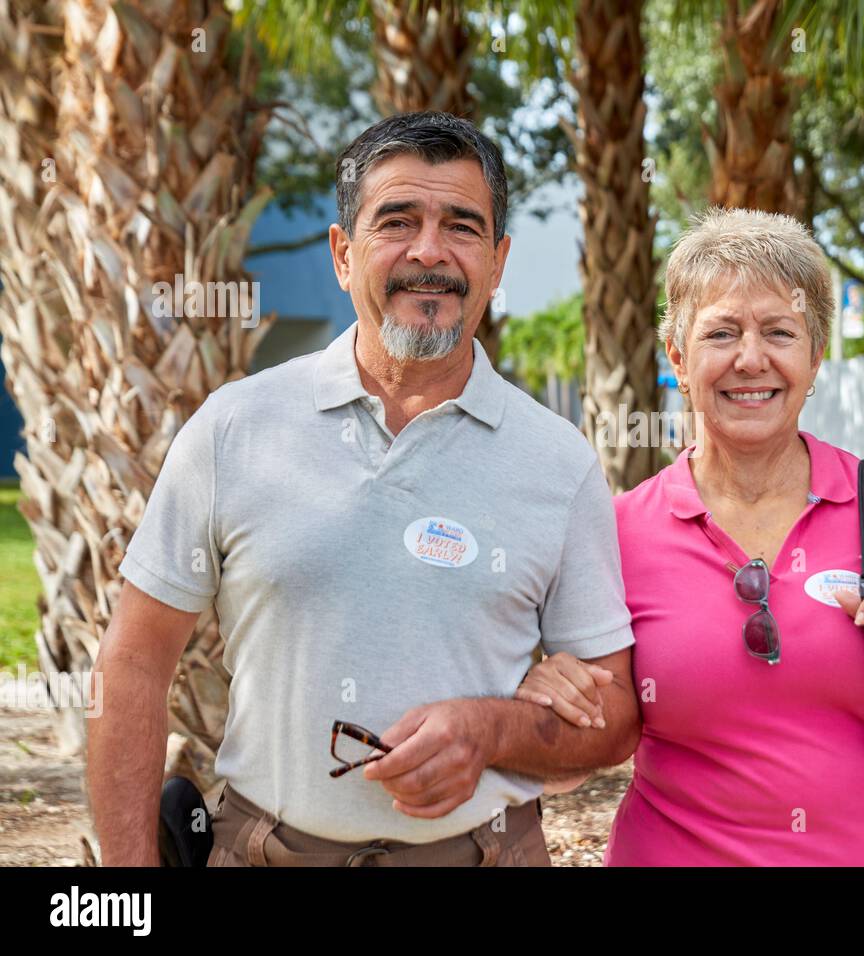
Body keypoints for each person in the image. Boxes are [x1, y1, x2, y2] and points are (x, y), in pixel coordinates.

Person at [86, 112, 639, 867]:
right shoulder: (235, 430)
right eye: (397, 221)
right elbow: (135, 662)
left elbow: (614, 716)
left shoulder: (557, 462)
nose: (429, 252)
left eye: (463, 227)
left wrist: (490, 729)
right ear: (343, 254)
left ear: (499, 261)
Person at [516, 207, 864, 866]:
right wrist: (550, 708)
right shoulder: (617, 531)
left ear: (816, 356)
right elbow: (576, 760)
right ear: (677, 354)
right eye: (721, 332)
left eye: (780, 332)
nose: (750, 359)